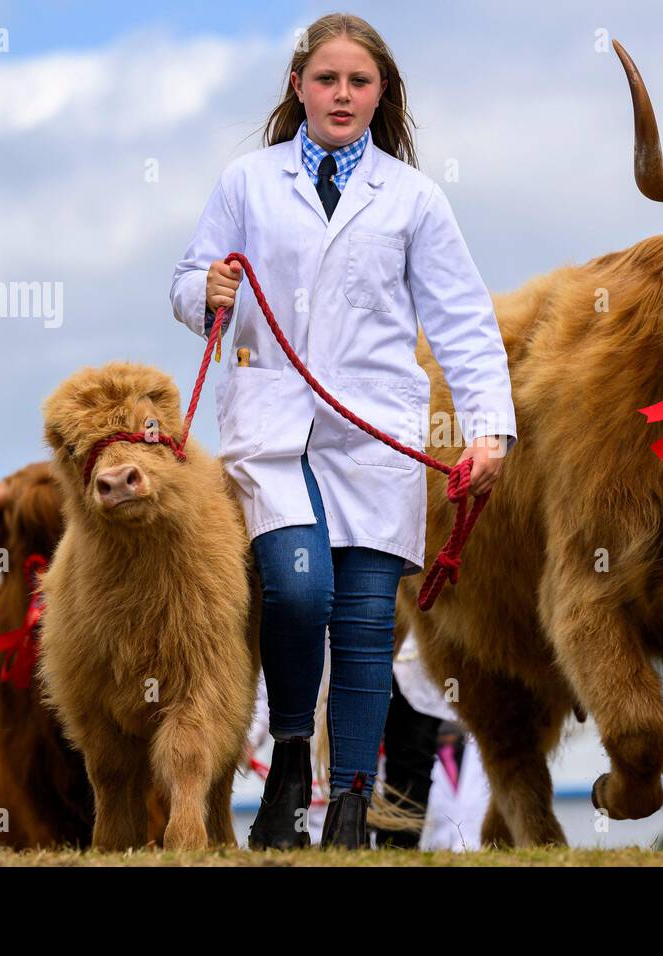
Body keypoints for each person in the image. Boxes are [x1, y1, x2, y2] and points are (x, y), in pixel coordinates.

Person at [169, 13, 517, 849]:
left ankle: (353, 810)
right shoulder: (248, 182)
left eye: (359, 82)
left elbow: (463, 319)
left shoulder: (413, 198)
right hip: (272, 429)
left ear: (380, 95)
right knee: (296, 589)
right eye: (326, 79)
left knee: (364, 623)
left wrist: (490, 430)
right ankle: (291, 759)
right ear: (298, 87)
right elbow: (190, 281)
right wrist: (205, 292)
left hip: (375, 435)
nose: (342, 95)